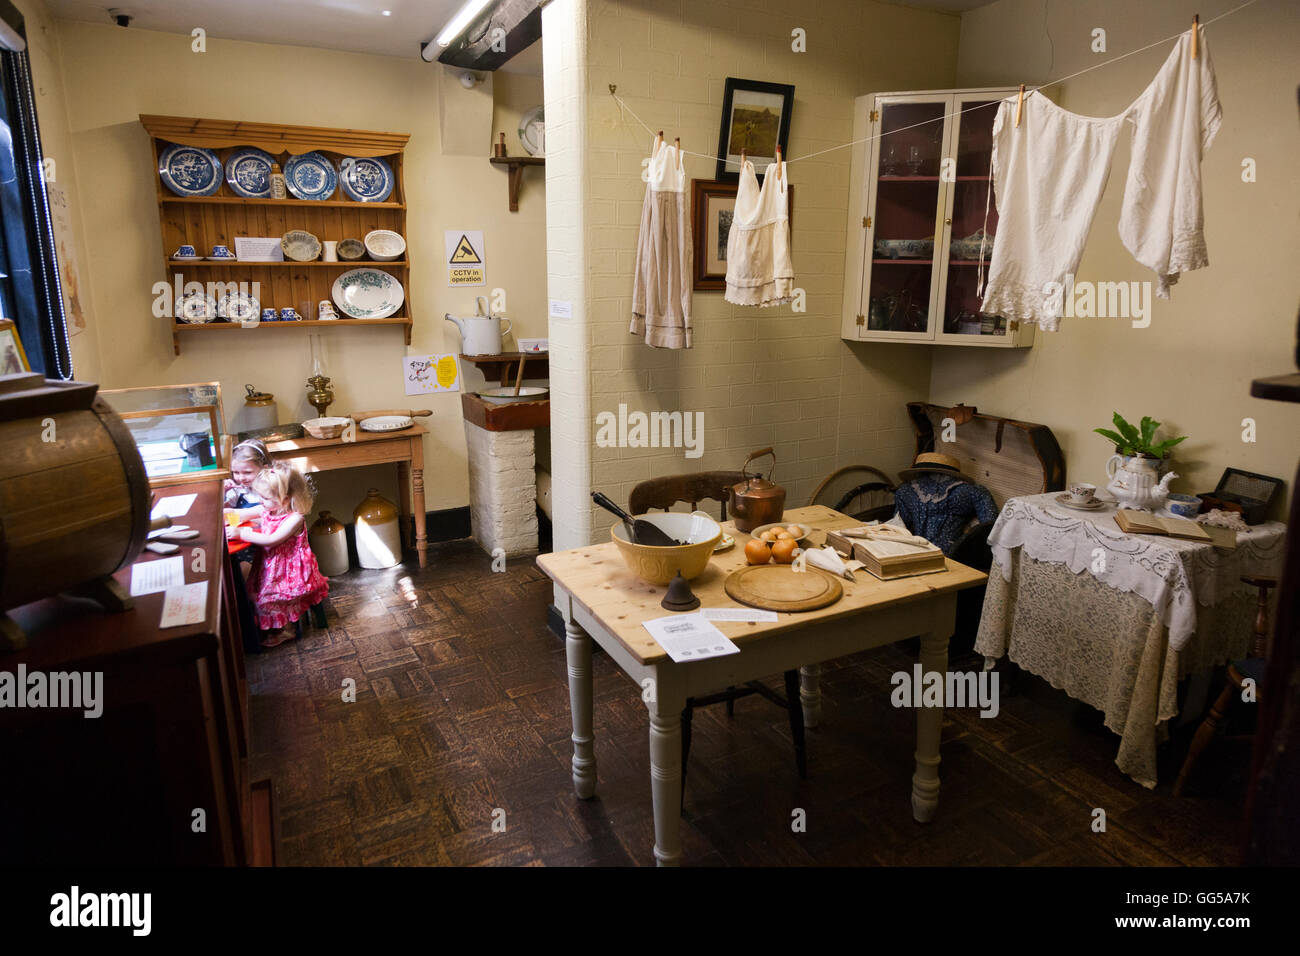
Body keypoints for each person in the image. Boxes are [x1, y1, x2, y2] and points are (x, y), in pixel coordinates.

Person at [233, 461, 328, 648]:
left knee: (268, 598)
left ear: (285, 499)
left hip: (289, 571)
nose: (260, 501)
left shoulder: (294, 518)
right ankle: (271, 624)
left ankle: (288, 629)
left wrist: (243, 534)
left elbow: (272, 540)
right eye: (259, 496)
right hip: (270, 567)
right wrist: (228, 513)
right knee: (253, 592)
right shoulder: (269, 508)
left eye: (264, 498)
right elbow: (243, 514)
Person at [224, 438, 270, 521]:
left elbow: (268, 514)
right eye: (236, 472)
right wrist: (223, 492)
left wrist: (237, 514)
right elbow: (223, 514)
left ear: (264, 468)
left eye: (247, 472)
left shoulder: (273, 491)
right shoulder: (238, 491)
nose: (241, 478)